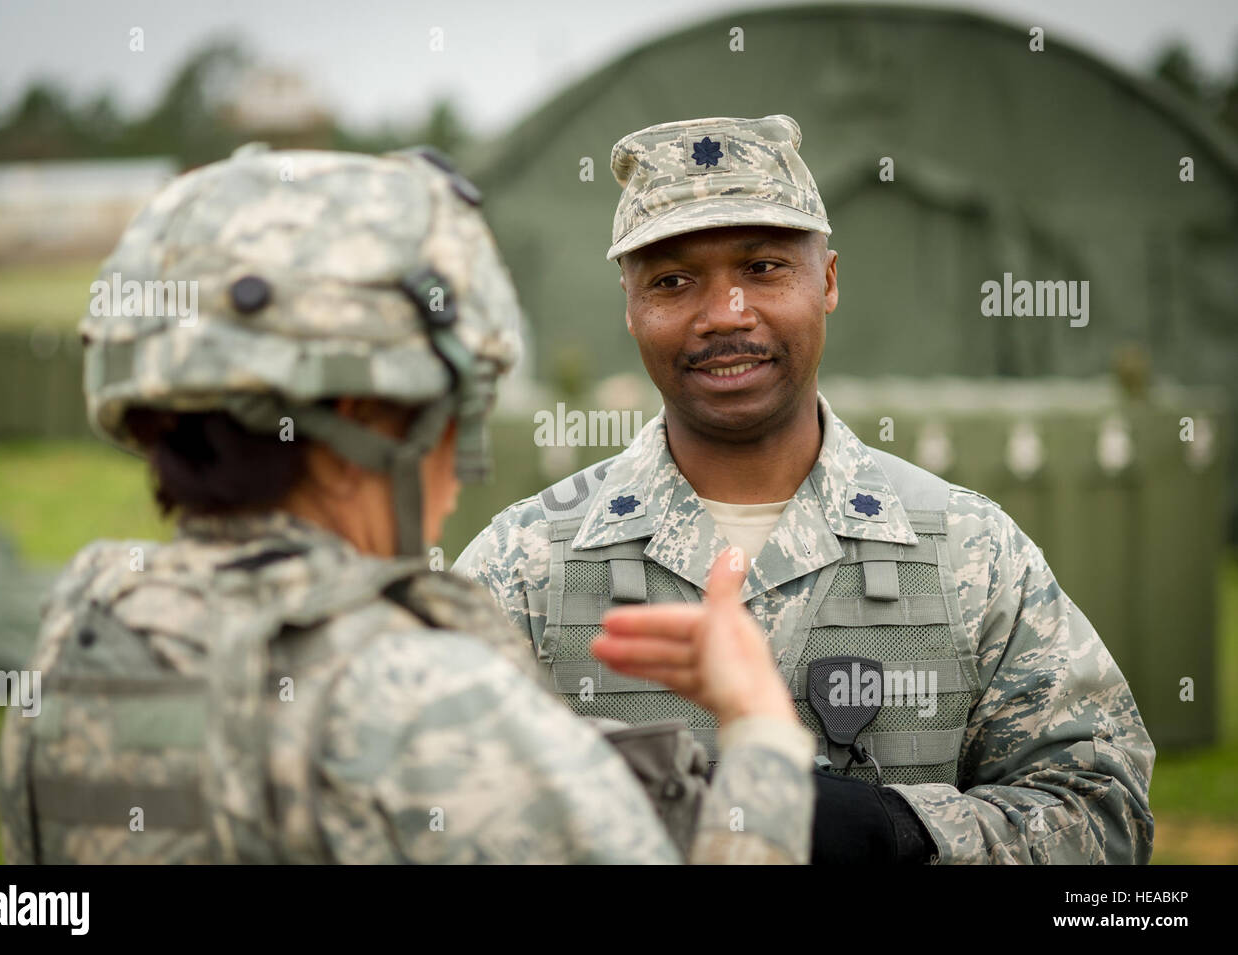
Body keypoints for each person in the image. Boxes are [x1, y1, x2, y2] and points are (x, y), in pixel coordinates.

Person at [0, 144, 817, 864]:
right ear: (365, 420)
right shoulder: (431, 702)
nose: (456, 473)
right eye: (452, 420)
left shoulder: (85, 636)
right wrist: (760, 736)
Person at [454, 115, 1155, 865]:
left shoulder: (969, 553)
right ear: (630, 307)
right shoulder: (522, 569)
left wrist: (898, 831)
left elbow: (1102, 812)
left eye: (763, 268)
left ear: (827, 281)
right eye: (672, 281)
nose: (726, 314)